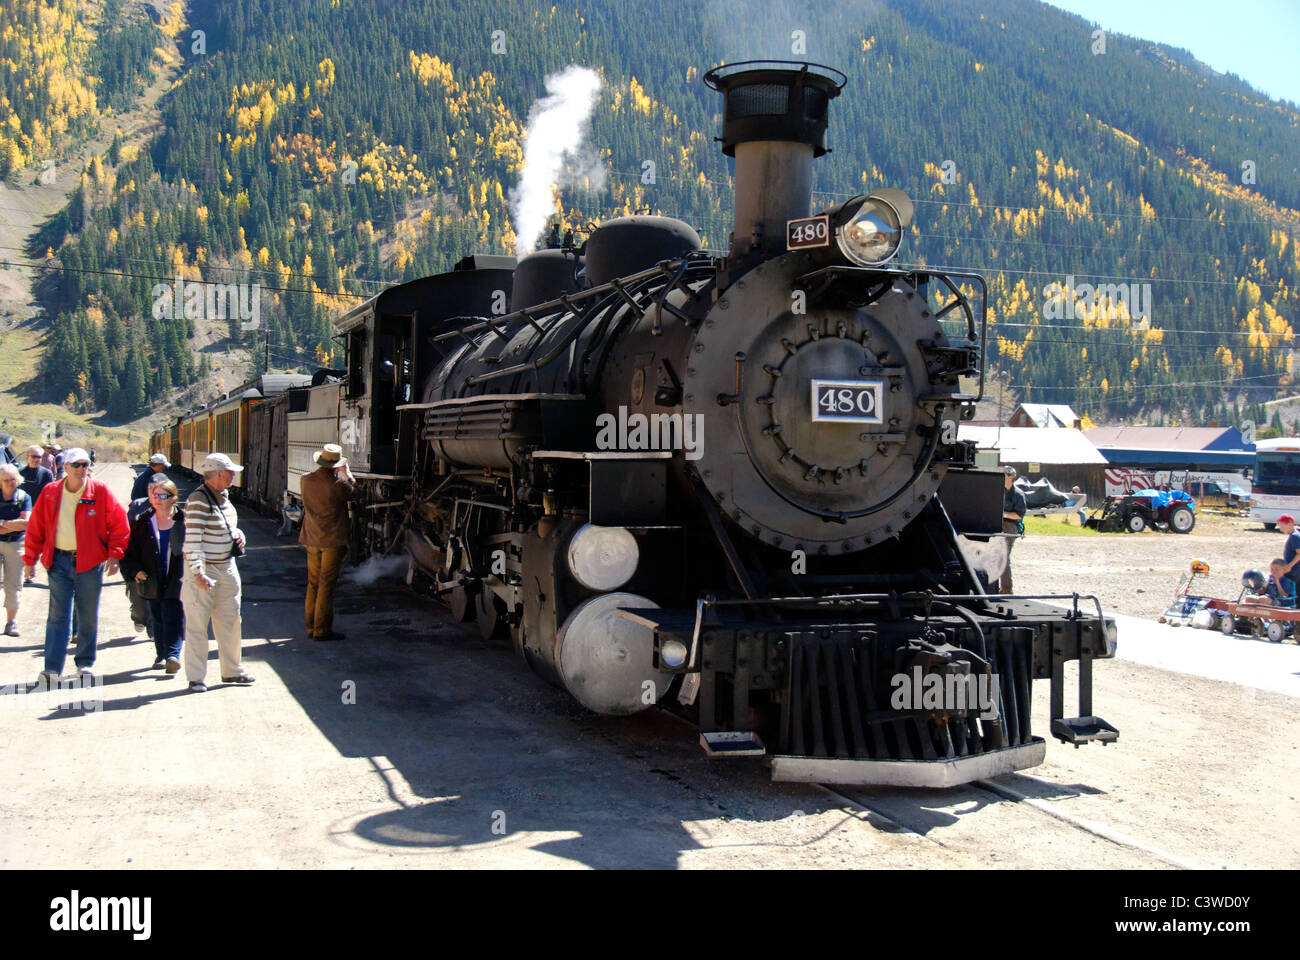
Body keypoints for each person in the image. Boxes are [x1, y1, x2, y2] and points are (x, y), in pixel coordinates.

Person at [21, 447, 129, 687]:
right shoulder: (50, 492)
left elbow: (119, 523)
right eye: (77, 465)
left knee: (87, 615)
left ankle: (85, 664)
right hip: (58, 561)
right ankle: (51, 669)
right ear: (65, 468)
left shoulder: (99, 491)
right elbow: (36, 528)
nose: (82, 469)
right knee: (57, 616)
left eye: (85, 465)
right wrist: (29, 560)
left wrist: (115, 554)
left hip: (90, 562)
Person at [182, 453, 253, 692]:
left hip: (226, 566)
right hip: (205, 569)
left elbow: (228, 526)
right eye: (231, 471)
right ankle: (196, 677)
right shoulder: (199, 500)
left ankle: (232, 671)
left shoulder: (223, 497)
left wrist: (238, 535)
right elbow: (192, 540)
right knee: (198, 625)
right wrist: (198, 573)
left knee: (231, 620)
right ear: (219, 474)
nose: (234, 475)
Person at [120, 479, 186, 674]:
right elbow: (129, 551)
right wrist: (134, 570)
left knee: (173, 614)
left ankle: (173, 655)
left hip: (177, 578)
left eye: (163, 496)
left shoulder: (185, 521)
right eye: (155, 495)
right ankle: (161, 655)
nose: (157, 500)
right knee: (156, 617)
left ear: (173, 498)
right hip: (152, 577)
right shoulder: (142, 522)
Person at [299, 443, 358, 642]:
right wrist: (348, 474)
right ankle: (322, 629)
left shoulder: (305, 480)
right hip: (332, 541)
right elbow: (356, 493)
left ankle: (310, 626)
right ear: (336, 465)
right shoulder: (338, 485)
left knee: (313, 583)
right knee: (326, 584)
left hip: (312, 539)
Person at [0, 463, 32, 636]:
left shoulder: (23, 497)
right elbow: (20, 523)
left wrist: (3, 524)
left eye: (12, 479)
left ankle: (11, 623)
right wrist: (13, 524)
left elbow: (26, 523)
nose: (9, 483)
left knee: (13, 585)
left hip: (16, 544)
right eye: (5, 480)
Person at [999, 466, 1027, 594]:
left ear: (1011, 477)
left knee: (1004, 557)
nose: (1002, 478)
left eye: (1004, 475)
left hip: (1010, 526)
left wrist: (1004, 514)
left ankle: (1007, 589)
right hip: (997, 525)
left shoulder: (1018, 494)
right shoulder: (999, 491)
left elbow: (1019, 515)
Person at [1277, 514, 1300, 590]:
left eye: (1282, 526)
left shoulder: (1295, 536)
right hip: (1294, 570)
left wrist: (1288, 566)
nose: (1280, 529)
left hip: (1294, 571)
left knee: (1293, 594)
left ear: (1290, 524)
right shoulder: (1293, 535)